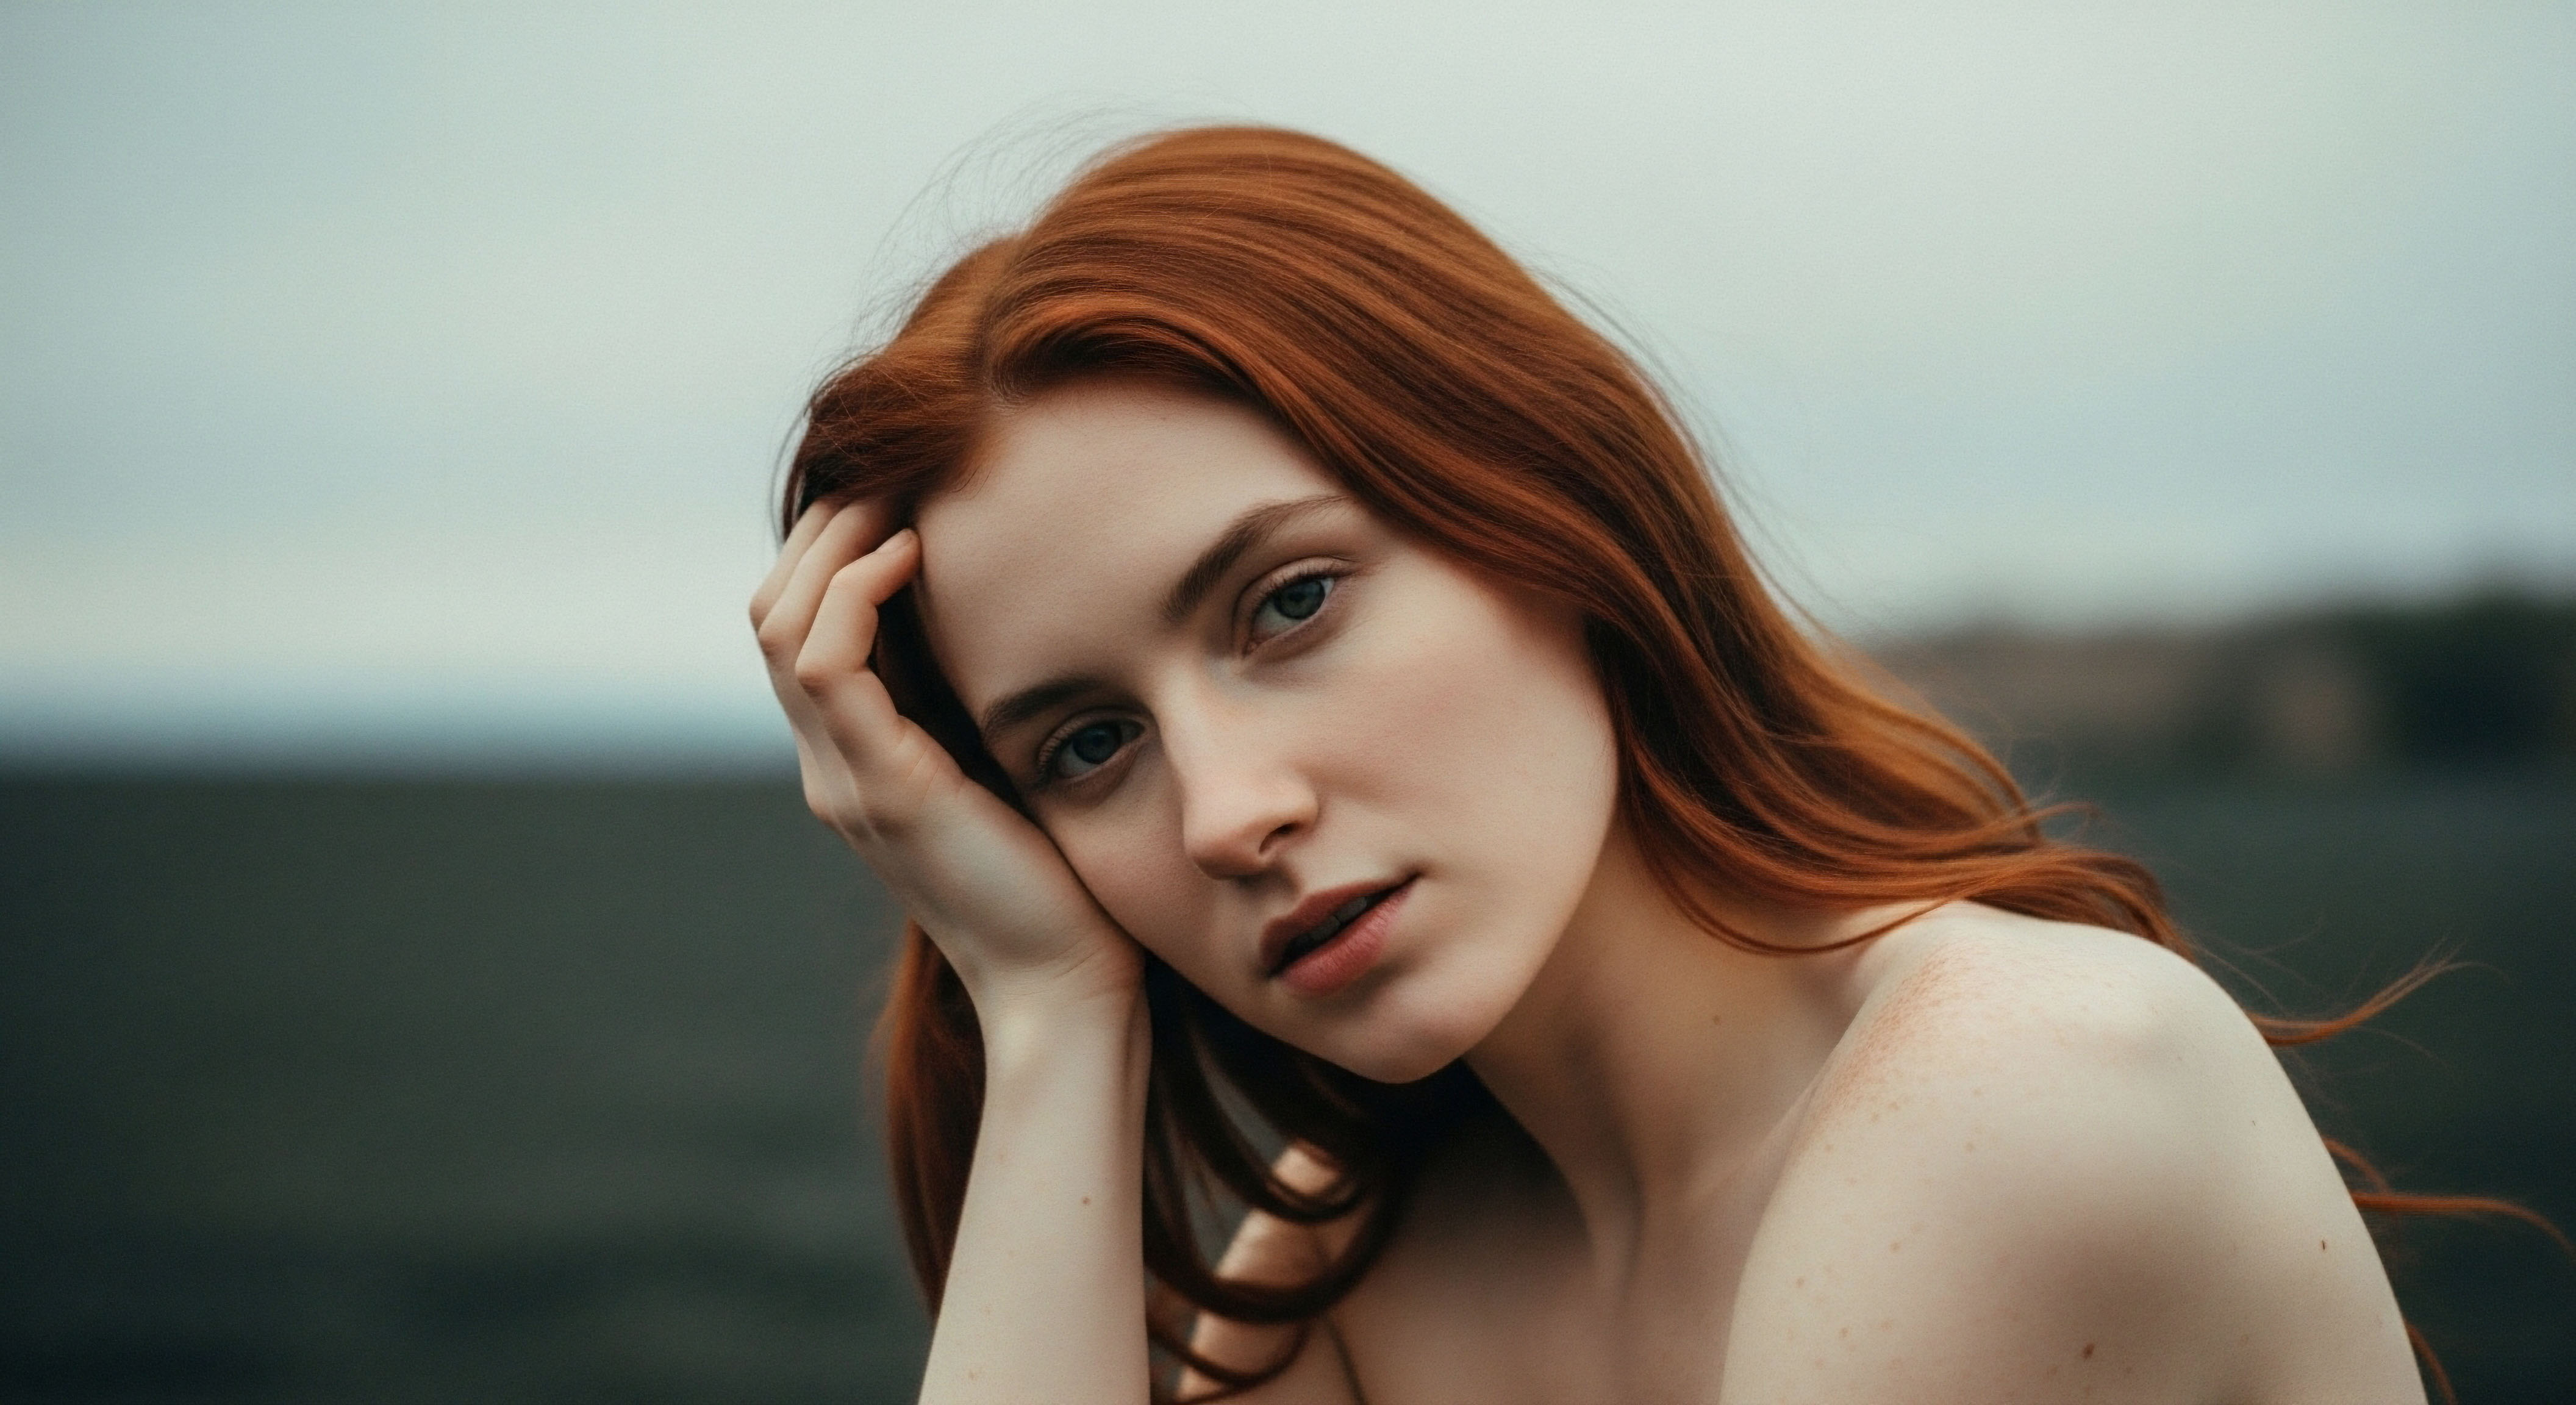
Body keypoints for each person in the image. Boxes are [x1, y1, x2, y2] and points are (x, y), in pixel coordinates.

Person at [750, 126, 2431, 1403]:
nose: (1231, 814)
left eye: (1290, 603)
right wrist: (1051, 1012)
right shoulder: (1360, 1256)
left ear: (1550, 512)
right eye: (1089, 746)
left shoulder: (2018, 1093)